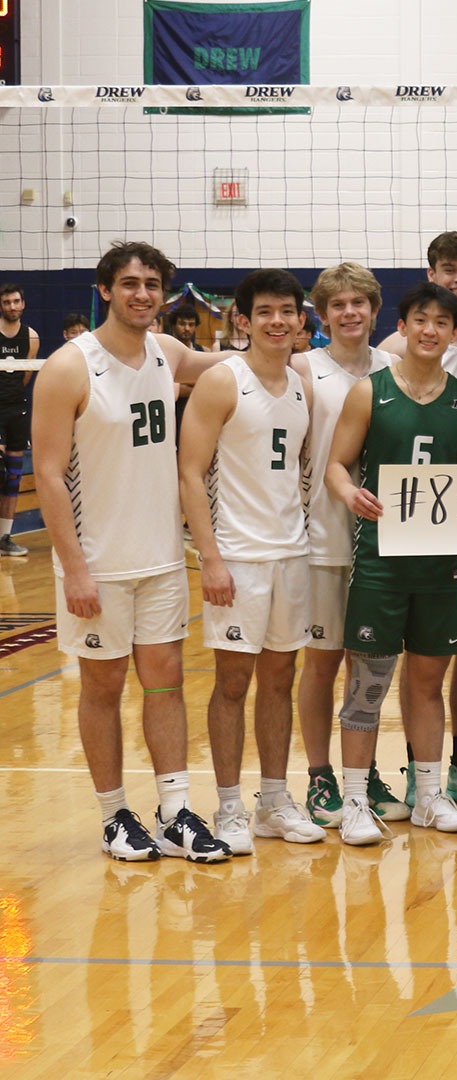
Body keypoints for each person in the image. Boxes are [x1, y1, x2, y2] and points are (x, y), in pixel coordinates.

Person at [34, 241, 229, 862]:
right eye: (130, 284)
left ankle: (174, 810)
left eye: (152, 285)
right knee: (102, 687)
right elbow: (46, 474)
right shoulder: (69, 367)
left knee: (166, 684)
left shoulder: (166, 351)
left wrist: (337, 359)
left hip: (163, 558)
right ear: (105, 291)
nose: (142, 294)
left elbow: (232, 366)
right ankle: (114, 815)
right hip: (99, 564)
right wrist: (75, 569)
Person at [325, 281, 457, 845]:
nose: (429, 330)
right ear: (401, 328)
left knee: (428, 682)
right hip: (380, 559)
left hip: (441, 562)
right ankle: (355, 800)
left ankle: (427, 795)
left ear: (454, 334)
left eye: (441, 323)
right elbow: (336, 464)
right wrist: (351, 494)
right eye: (419, 319)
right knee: (368, 681)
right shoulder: (367, 392)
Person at [177, 268, 328, 853]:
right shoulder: (221, 381)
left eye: (287, 311)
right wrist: (209, 558)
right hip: (236, 559)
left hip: (291, 554)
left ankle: (273, 801)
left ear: (299, 319)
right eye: (264, 311)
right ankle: (231, 807)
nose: (277, 321)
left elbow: (299, 473)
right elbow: (190, 472)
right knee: (233, 683)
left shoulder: (301, 386)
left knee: (280, 681)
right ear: (243, 320)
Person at [297, 262, 421, 827]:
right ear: (322, 315)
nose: (350, 313)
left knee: (369, 664)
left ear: (375, 311)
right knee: (322, 664)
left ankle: (360, 772)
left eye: (360, 303)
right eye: (338, 305)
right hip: (324, 535)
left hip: (388, 539)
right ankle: (321, 775)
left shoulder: (398, 367)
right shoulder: (303, 370)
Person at [0, 283, 39, 558]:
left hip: (17, 409)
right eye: (6, 302)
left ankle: (5, 537)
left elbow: (26, 376)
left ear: (23, 303)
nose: (12, 306)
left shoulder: (32, 337)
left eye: (16, 301)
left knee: (14, 474)